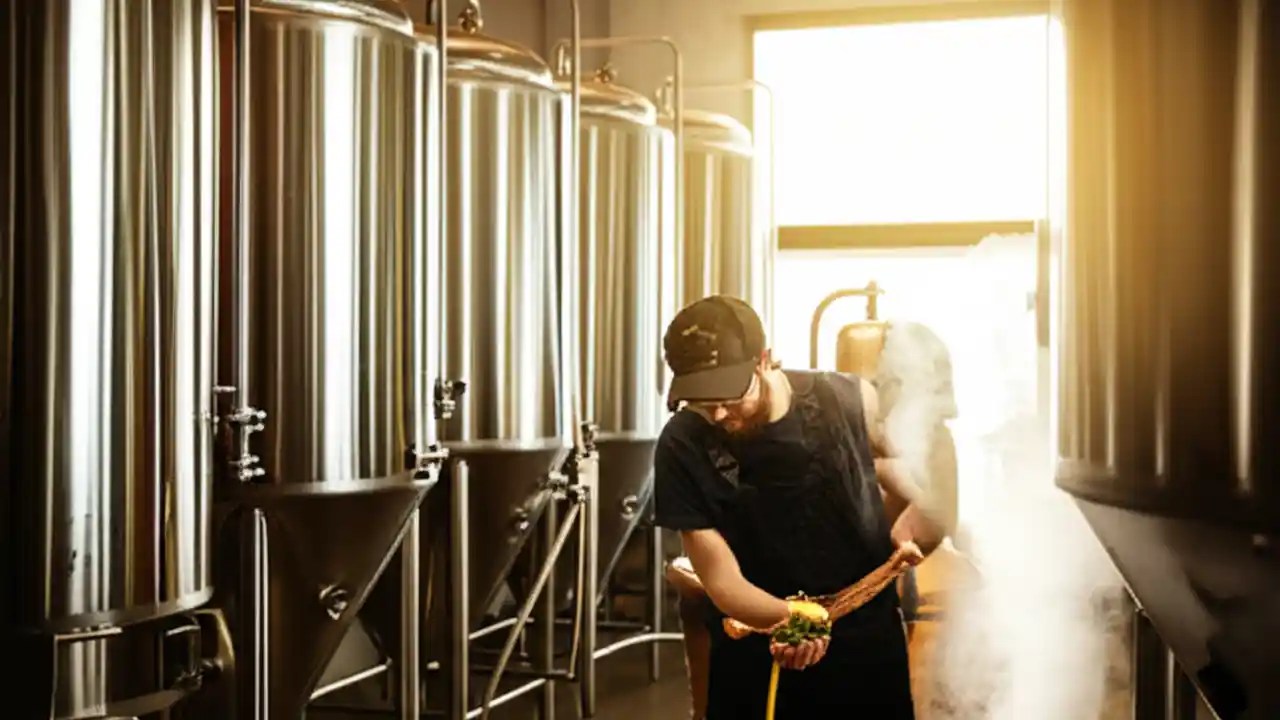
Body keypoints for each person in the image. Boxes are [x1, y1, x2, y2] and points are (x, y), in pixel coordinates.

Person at [654, 295, 948, 719]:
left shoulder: (849, 400)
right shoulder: (682, 445)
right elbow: (721, 580)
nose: (718, 413)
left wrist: (928, 500)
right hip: (759, 646)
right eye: (700, 399)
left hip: (864, 646)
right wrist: (791, 619)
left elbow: (905, 464)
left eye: (729, 395)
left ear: (764, 360)